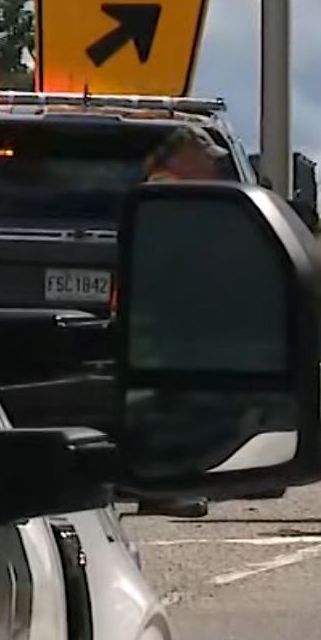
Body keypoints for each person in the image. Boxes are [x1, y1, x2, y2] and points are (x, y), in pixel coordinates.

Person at [128, 124, 229, 518]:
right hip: (164, 315)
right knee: (166, 404)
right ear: (184, 155)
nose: (212, 168)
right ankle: (161, 489)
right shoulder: (167, 190)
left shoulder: (166, 188)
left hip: (166, 313)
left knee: (172, 402)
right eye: (206, 159)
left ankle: (169, 485)